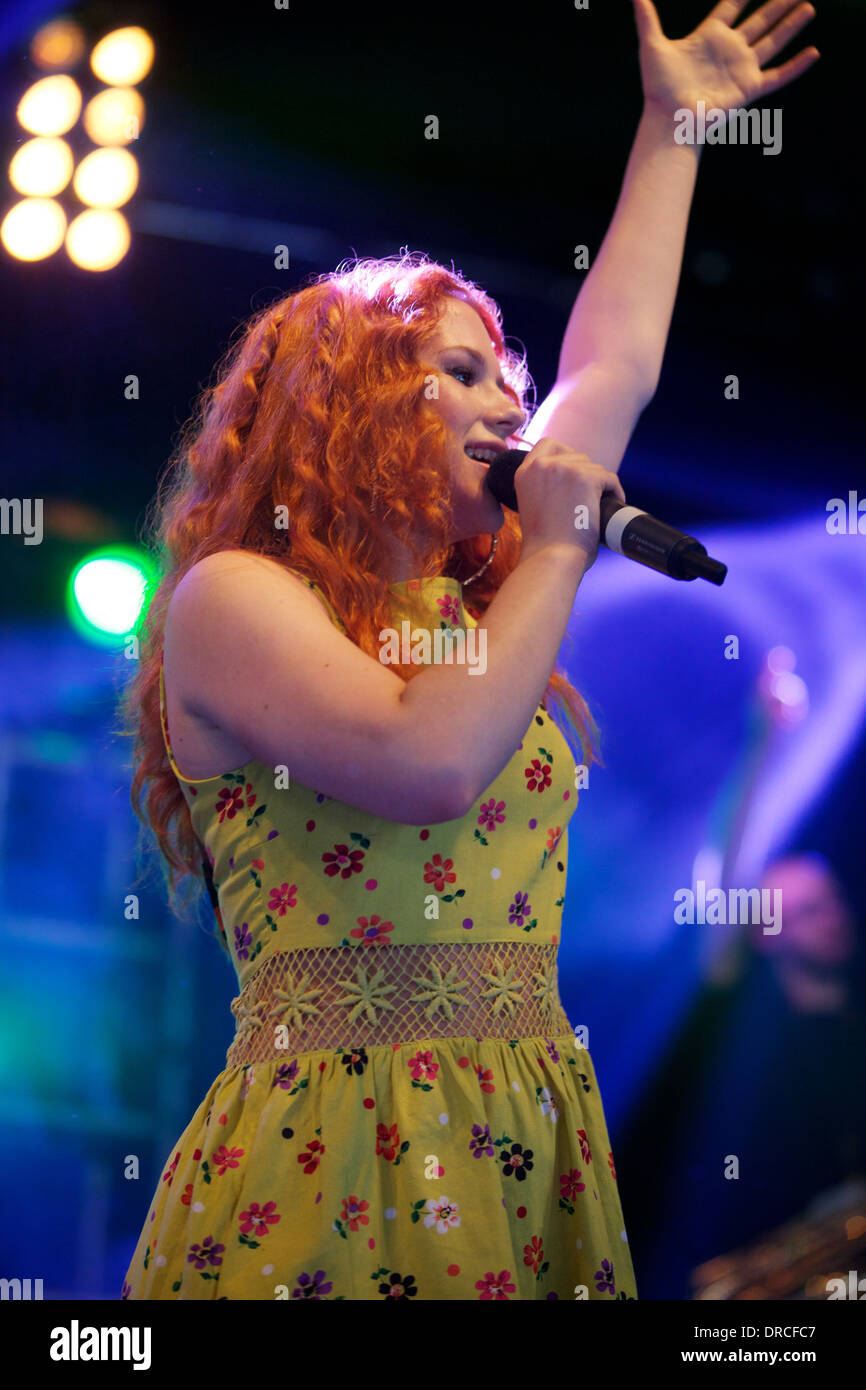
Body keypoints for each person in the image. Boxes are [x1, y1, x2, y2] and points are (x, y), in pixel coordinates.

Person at [118, 0, 819, 1299]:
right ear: (351, 405)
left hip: (520, 1126)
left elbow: (614, 364)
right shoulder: (234, 598)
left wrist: (671, 131)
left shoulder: (470, 611)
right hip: (333, 1147)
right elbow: (427, 761)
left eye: (511, 374)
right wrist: (558, 550)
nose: (513, 402)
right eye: (465, 371)